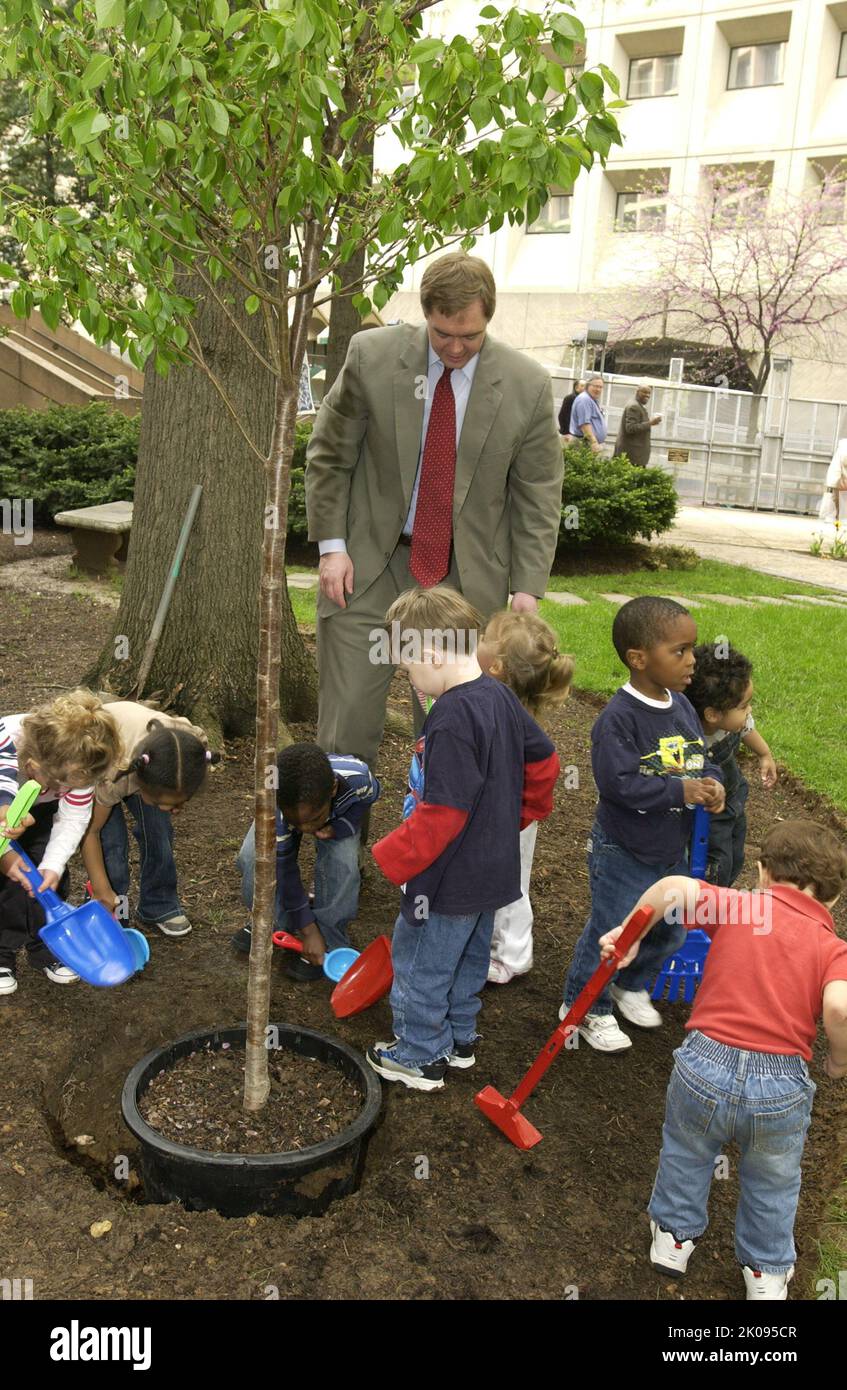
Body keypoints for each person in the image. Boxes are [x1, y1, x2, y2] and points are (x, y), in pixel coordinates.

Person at [305, 251, 565, 793]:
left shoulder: (527, 384)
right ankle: (340, 861)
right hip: (367, 568)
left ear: (487, 318)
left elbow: (538, 493)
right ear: (425, 314)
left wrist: (526, 588)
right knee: (347, 722)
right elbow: (330, 454)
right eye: (442, 332)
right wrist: (332, 547)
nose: (453, 347)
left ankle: (436, 865)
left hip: (464, 582)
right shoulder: (371, 356)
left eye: (468, 336)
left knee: (455, 728)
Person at [599, 819, 847, 1301]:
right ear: (833, 901)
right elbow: (839, 1007)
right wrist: (838, 1060)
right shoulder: (832, 947)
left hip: (703, 1064)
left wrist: (629, 936)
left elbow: (672, 888)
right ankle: (766, 1271)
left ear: (760, 872)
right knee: (773, 1178)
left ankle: (673, 1239)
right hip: (779, 1087)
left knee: (688, 1152)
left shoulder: (740, 907)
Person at [367, 587, 560, 1091]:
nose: (410, 682)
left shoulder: (449, 717)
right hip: (493, 869)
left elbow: (444, 812)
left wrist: (393, 857)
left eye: (409, 669)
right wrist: (519, 815)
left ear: (431, 654)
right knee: (471, 956)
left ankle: (418, 1054)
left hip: (445, 880)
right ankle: (459, 1039)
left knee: (420, 960)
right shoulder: (499, 694)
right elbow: (544, 759)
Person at [560, 596, 725, 1052]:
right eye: (680, 651)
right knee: (613, 930)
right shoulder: (619, 720)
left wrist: (711, 783)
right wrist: (680, 791)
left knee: (669, 930)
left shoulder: (682, 707)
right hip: (624, 851)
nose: (692, 660)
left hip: (670, 849)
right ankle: (584, 1007)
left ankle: (628, 982)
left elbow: (698, 760)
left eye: (692, 649)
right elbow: (619, 786)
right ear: (638, 659)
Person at [0, 690, 122, 995]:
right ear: (32, 763)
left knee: (46, 877)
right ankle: (2, 952)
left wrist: (52, 866)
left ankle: (45, 947)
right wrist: (5, 854)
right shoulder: (4, 743)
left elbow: (72, 820)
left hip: (34, 809)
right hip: (4, 805)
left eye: (71, 786)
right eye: (58, 784)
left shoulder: (80, 764)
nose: (65, 790)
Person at [477, 611, 574, 983]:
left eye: (484, 637)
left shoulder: (511, 720)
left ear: (498, 666)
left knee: (510, 886)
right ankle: (496, 947)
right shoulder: (500, 705)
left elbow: (545, 771)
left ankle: (512, 956)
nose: (476, 643)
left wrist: (515, 818)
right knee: (501, 882)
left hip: (511, 821)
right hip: (506, 818)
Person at [231, 742, 380, 980]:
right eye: (298, 824)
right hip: (281, 818)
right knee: (254, 858)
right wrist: (307, 929)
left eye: (312, 820)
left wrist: (339, 828)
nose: (305, 829)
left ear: (332, 789)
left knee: (343, 866)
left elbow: (367, 800)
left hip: (337, 818)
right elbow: (285, 870)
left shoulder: (358, 778)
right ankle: (273, 921)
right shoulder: (276, 805)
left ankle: (331, 939)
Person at [81, 704, 218, 938]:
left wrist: (175, 799)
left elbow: (177, 786)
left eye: (177, 803)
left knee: (158, 830)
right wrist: (101, 886)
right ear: (142, 783)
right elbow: (91, 832)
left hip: (147, 761)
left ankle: (158, 905)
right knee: (112, 846)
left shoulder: (188, 752)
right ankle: (111, 908)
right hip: (101, 760)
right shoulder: (114, 775)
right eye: (159, 801)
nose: (168, 808)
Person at [685, 643, 777, 887]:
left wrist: (764, 754)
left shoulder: (732, 721)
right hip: (710, 816)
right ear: (713, 714)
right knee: (716, 863)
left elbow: (748, 730)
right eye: (744, 706)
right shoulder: (691, 739)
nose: (749, 711)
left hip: (735, 797)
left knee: (736, 854)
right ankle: (708, 903)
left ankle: (722, 889)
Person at [614, 382, 661, 467]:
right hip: (631, 456)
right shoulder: (634, 406)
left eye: (649, 393)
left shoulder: (638, 405)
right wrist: (651, 423)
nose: (647, 395)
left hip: (634, 455)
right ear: (637, 392)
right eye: (644, 392)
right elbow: (630, 428)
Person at [568, 373, 606, 453]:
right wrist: (594, 442)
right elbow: (584, 424)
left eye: (600, 387)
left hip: (587, 443)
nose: (598, 389)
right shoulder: (584, 400)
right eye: (595, 386)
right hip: (583, 444)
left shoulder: (591, 399)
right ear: (588, 386)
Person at [819, 437, 847, 524]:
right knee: (836, 496)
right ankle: (837, 516)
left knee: (836, 496)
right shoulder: (844, 447)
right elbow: (845, 460)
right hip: (839, 477)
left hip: (840, 476)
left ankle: (837, 516)